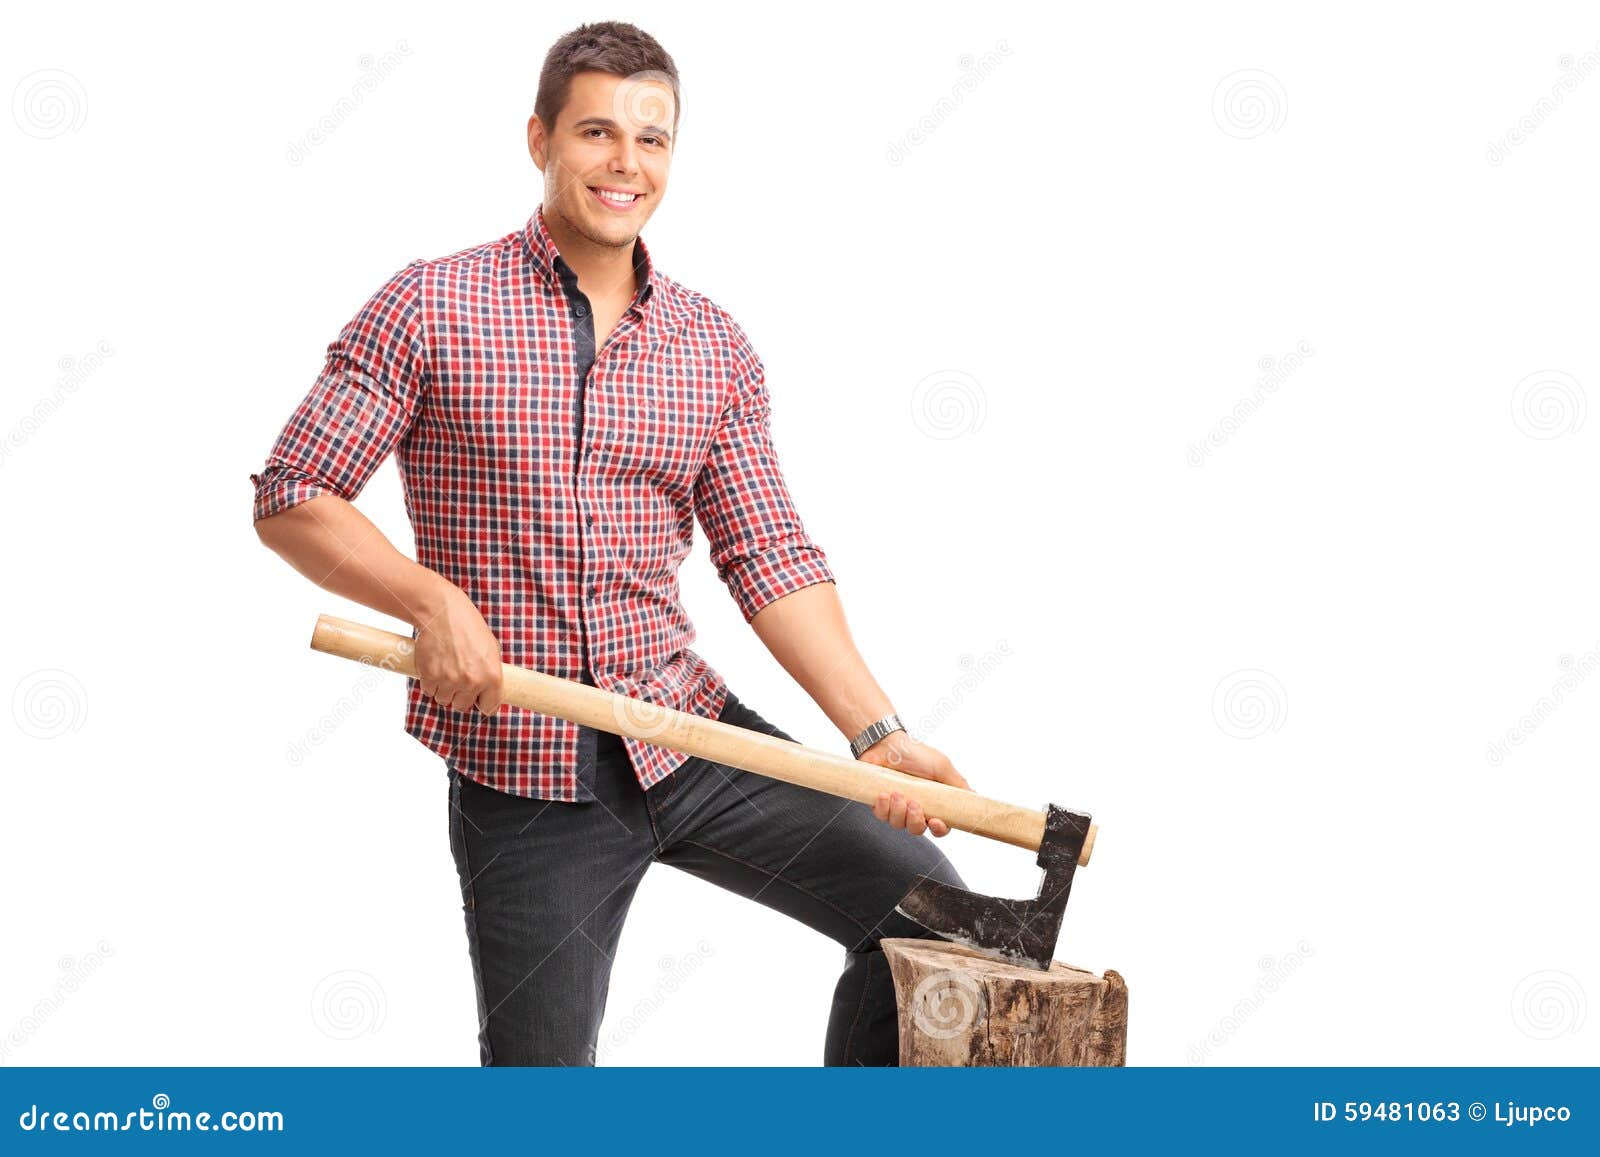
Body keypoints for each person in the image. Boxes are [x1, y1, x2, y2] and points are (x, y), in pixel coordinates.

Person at [250, 20, 973, 1066]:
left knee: (934, 921)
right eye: (596, 132)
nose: (624, 162)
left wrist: (877, 733)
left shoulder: (711, 344)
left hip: (689, 734)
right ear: (539, 139)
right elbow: (294, 492)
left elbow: (768, 553)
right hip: (526, 767)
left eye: (652, 139)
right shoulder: (431, 304)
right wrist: (431, 603)